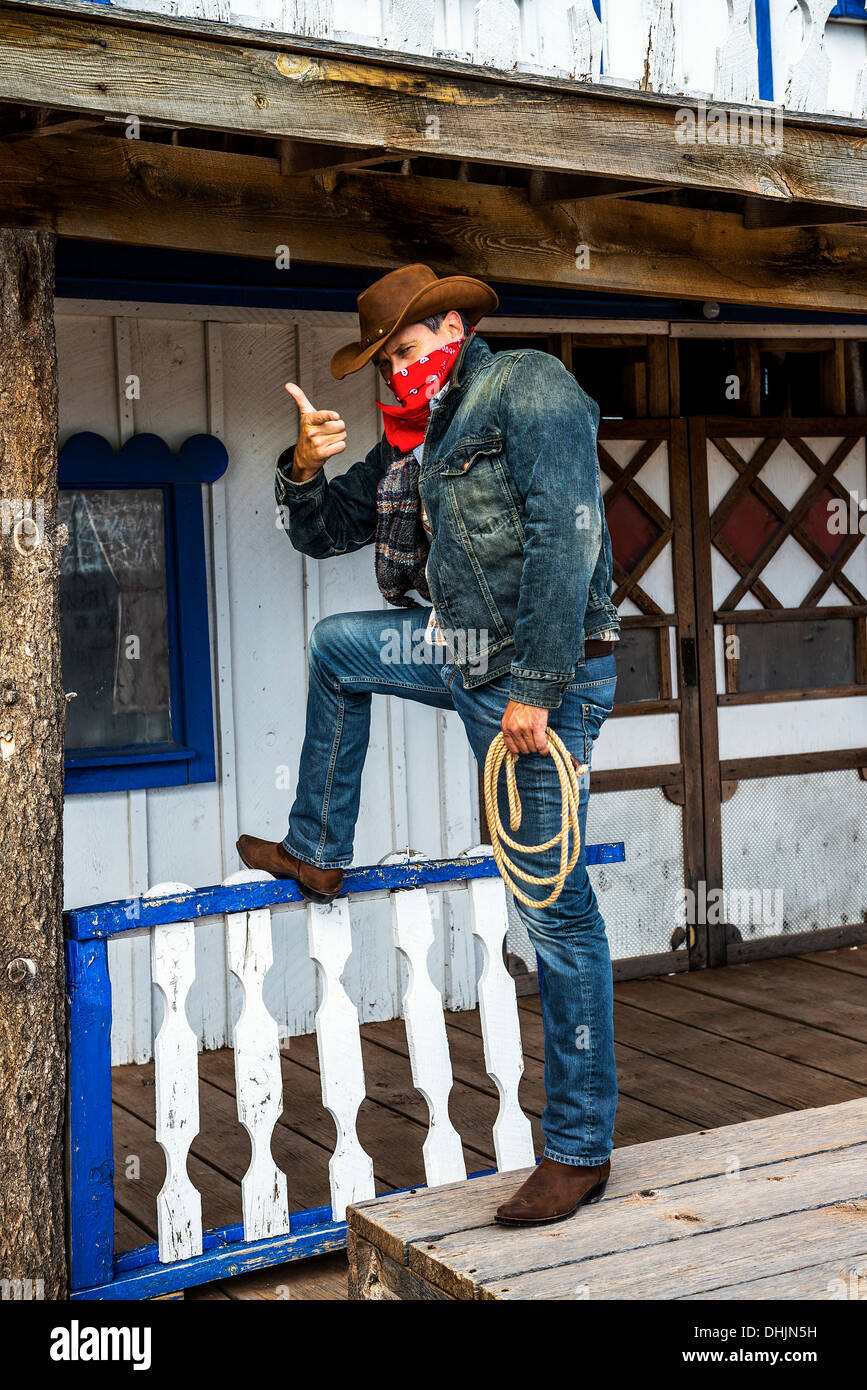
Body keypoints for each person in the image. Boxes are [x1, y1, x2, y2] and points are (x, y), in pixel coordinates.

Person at [237, 263, 620, 1225]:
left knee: (552, 905)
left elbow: (564, 537)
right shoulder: (418, 436)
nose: (399, 371)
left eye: (408, 350)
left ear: (452, 325)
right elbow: (322, 534)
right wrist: (304, 464)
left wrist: (534, 689)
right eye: (386, 360)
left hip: (546, 671)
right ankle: (319, 849)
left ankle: (579, 1148)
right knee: (338, 645)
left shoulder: (524, 385)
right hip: (461, 650)